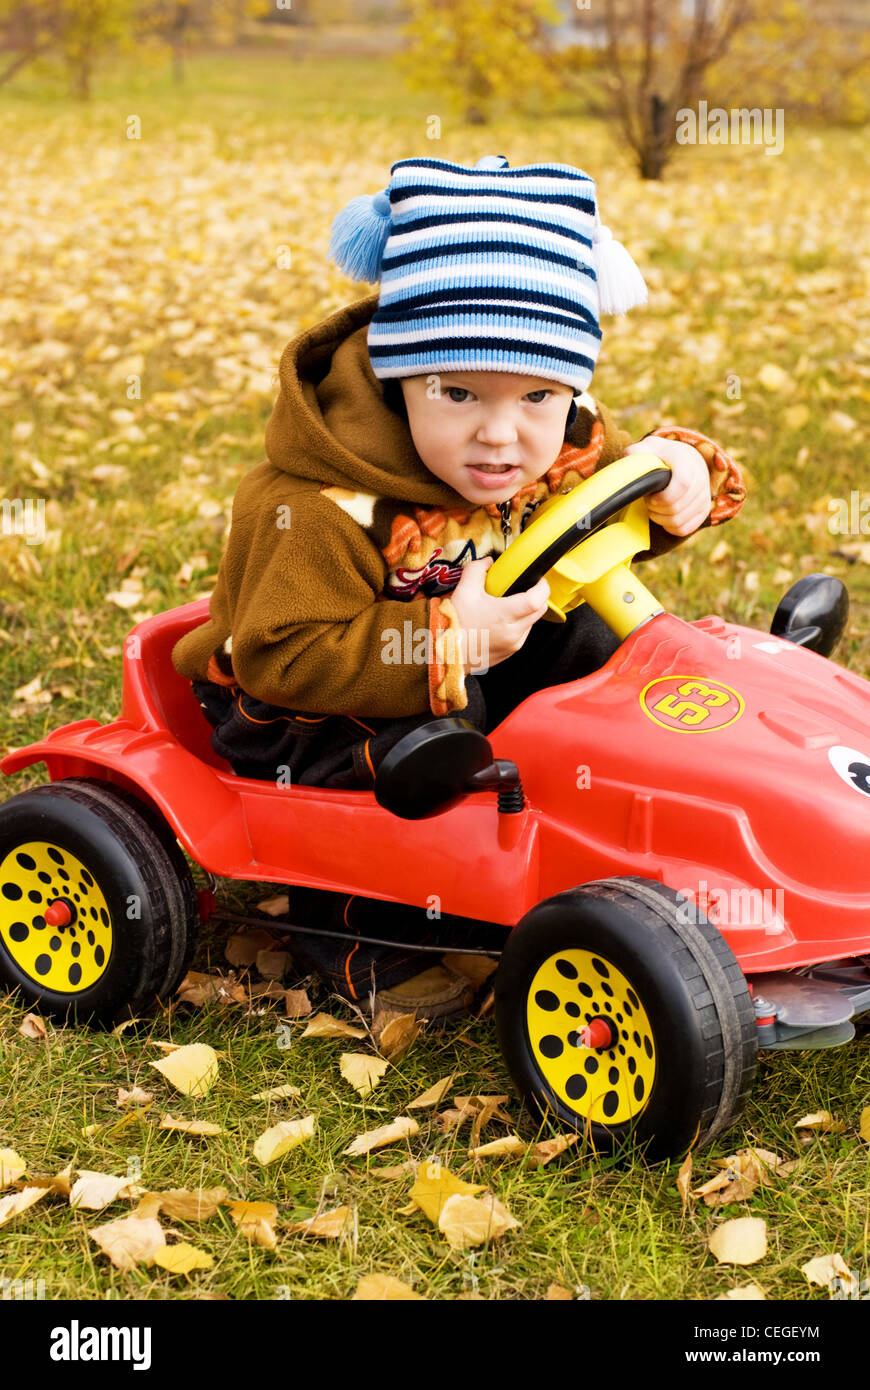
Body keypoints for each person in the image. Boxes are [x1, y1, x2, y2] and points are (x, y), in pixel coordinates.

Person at [171, 154, 746, 1017]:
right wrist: (445, 640)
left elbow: (590, 529)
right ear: (404, 375)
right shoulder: (318, 505)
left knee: (602, 653)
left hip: (473, 645)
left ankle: (623, 826)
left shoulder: (562, 439)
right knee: (434, 740)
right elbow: (279, 657)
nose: (501, 437)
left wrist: (674, 480)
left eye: (538, 397)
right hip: (303, 711)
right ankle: (367, 932)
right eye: (460, 392)